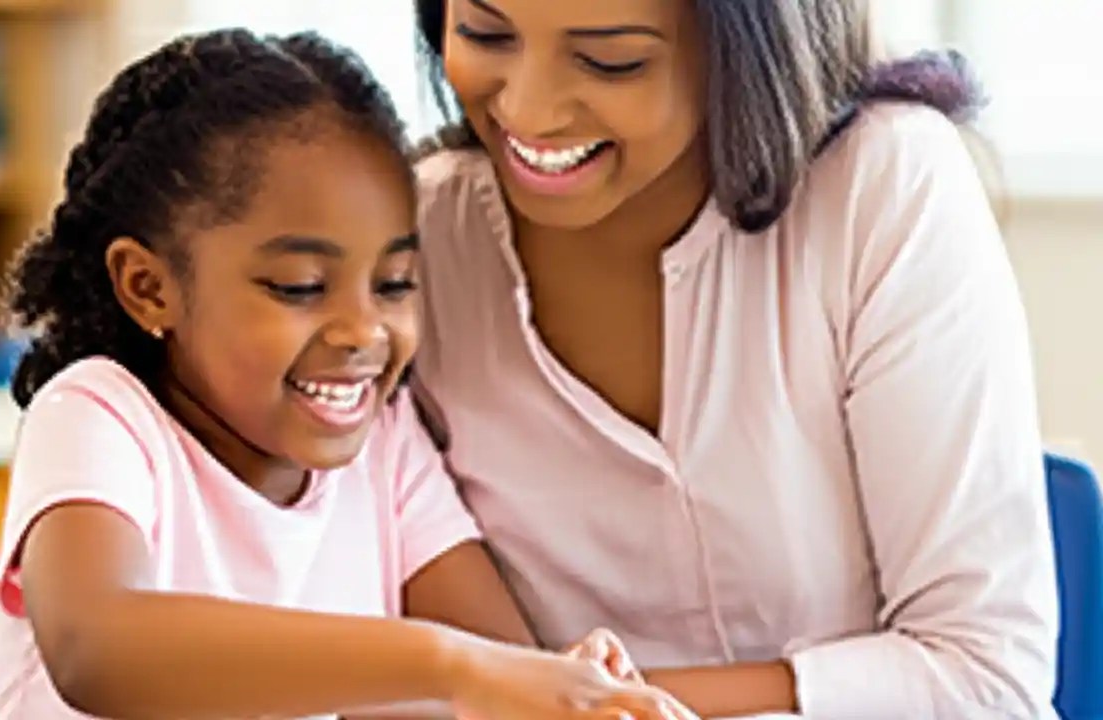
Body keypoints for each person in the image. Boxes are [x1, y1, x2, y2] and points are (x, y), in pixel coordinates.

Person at [0, 28, 695, 720]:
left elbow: (491, 669)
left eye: (394, 284)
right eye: (298, 287)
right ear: (148, 286)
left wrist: (559, 688)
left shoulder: (384, 448)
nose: (363, 332)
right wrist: (457, 667)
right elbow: (97, 651)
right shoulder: (98, 416)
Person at [408, 0, 1059, 718]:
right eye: (485, 34)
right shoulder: (404, 243)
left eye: (611, 59)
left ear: (746, 52)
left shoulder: (881, 185)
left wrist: (574, 706)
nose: (528, 110)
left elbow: (984, 678)